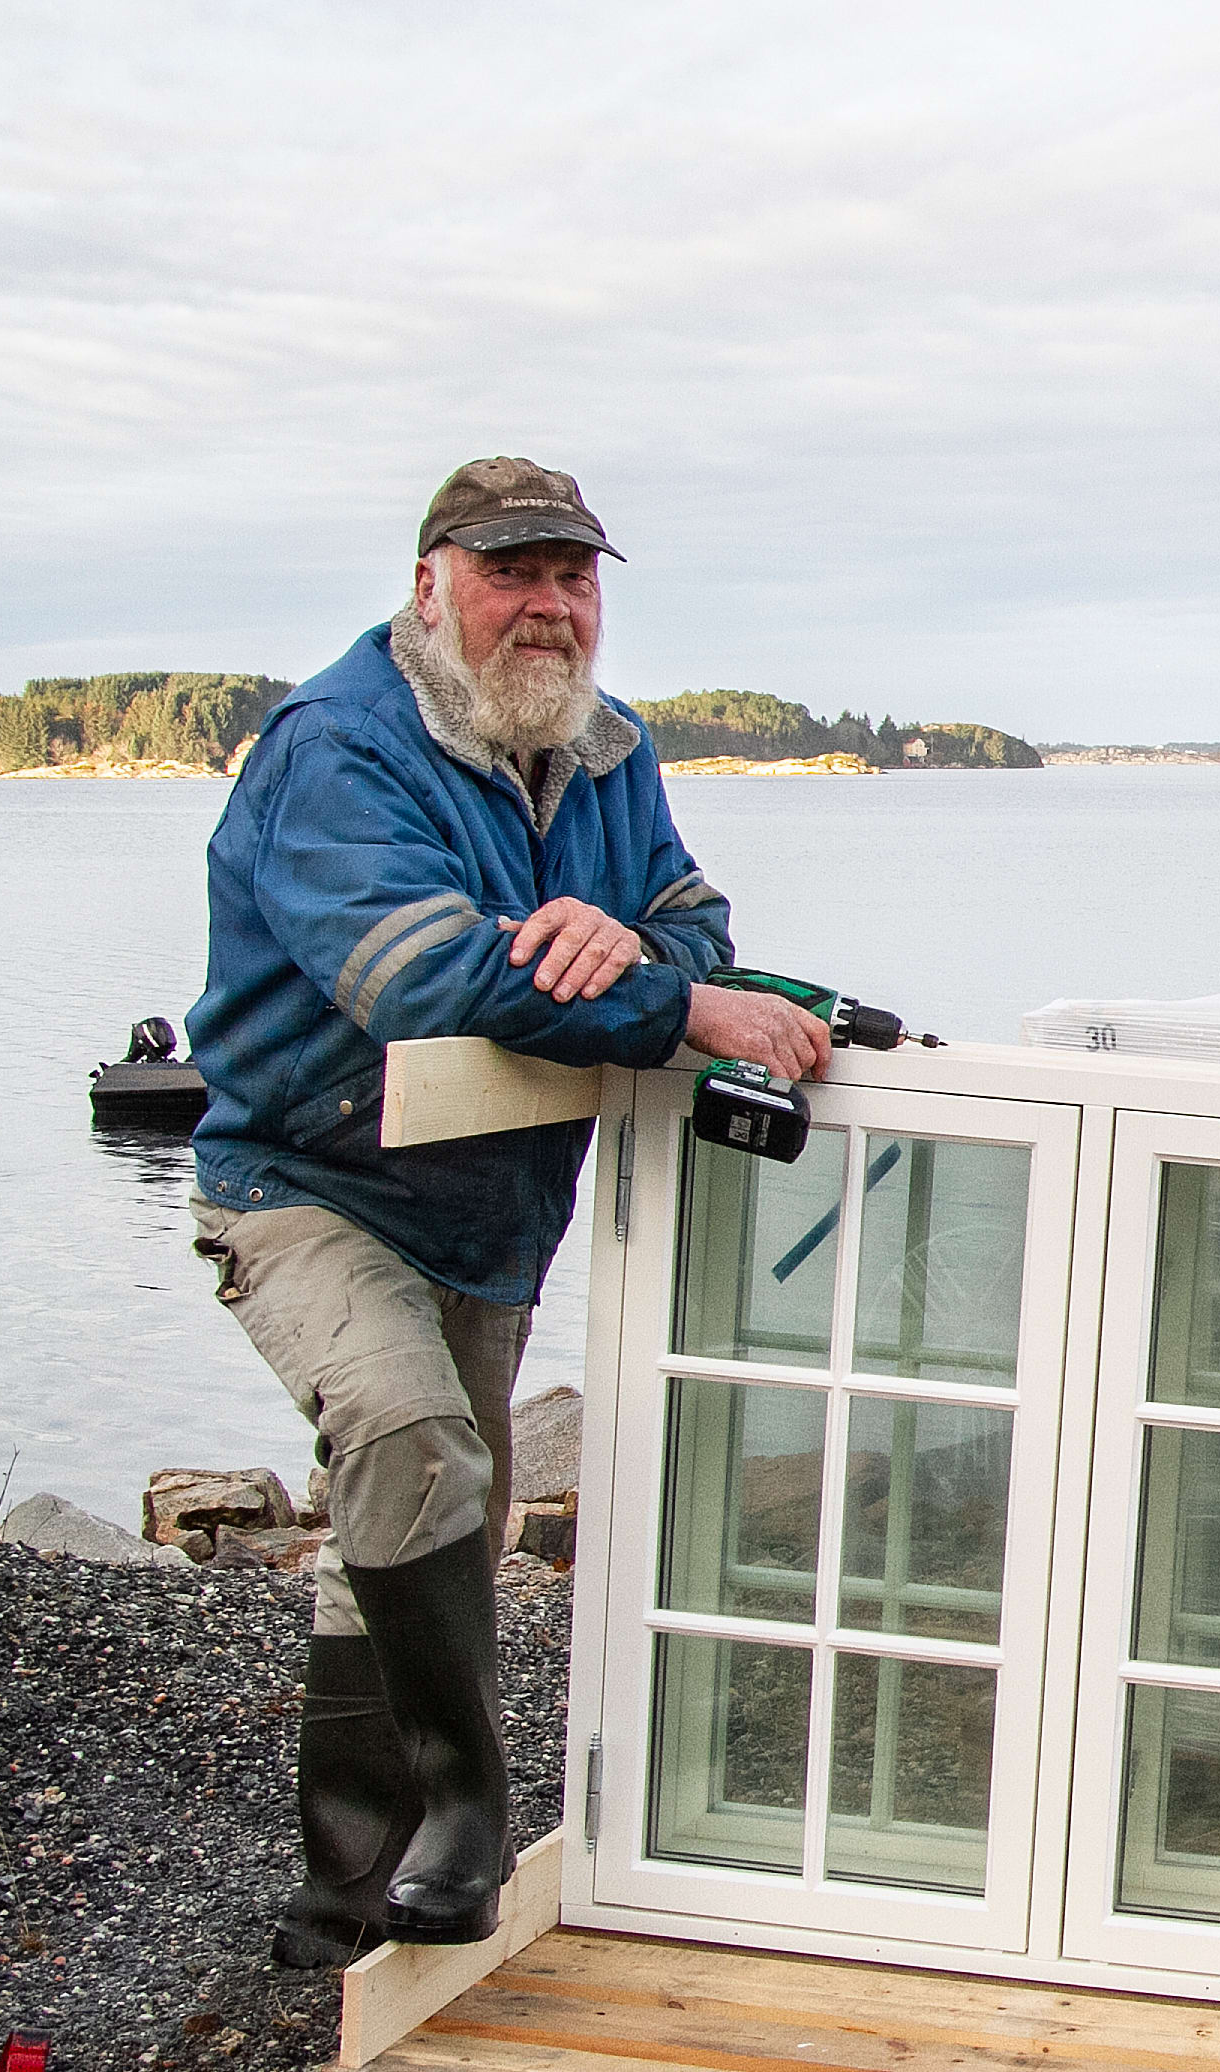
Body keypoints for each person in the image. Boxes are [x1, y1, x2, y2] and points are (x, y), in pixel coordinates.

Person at [186, 458, 832, 1966]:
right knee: (413, 1439)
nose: (548, 604)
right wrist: (685, 1010)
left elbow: (693, 919)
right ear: (431, 585)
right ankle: (466, 1811)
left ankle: (345, 1898)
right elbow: (425, 980)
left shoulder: (611, 751)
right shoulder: (335, 749)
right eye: (511, 571)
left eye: (573, 575)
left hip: (494, 1197)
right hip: (309, 1179)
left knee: (419, 1525)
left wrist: (629, 940)